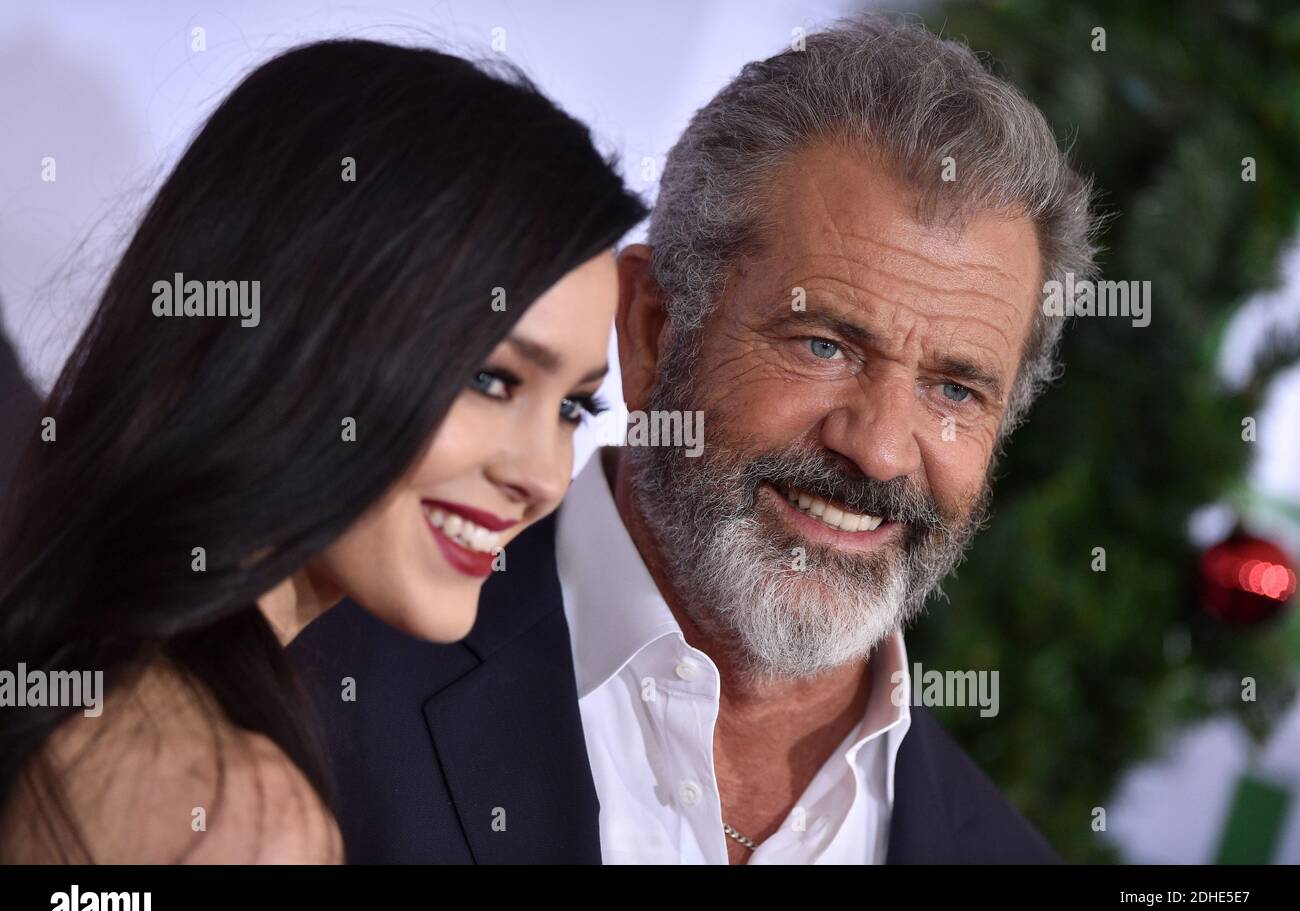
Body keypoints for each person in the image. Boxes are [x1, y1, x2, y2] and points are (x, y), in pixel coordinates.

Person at [294, 14, 1097, 863]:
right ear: (650, 329)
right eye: (824, 345)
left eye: (955, 388)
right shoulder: (300, 678)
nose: (882, 449)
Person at [0, 39, 646, 862]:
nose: (542, 475)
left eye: (573, 407)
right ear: (302, 335)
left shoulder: (98, 694)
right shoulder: (228, 814)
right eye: (491, 378)